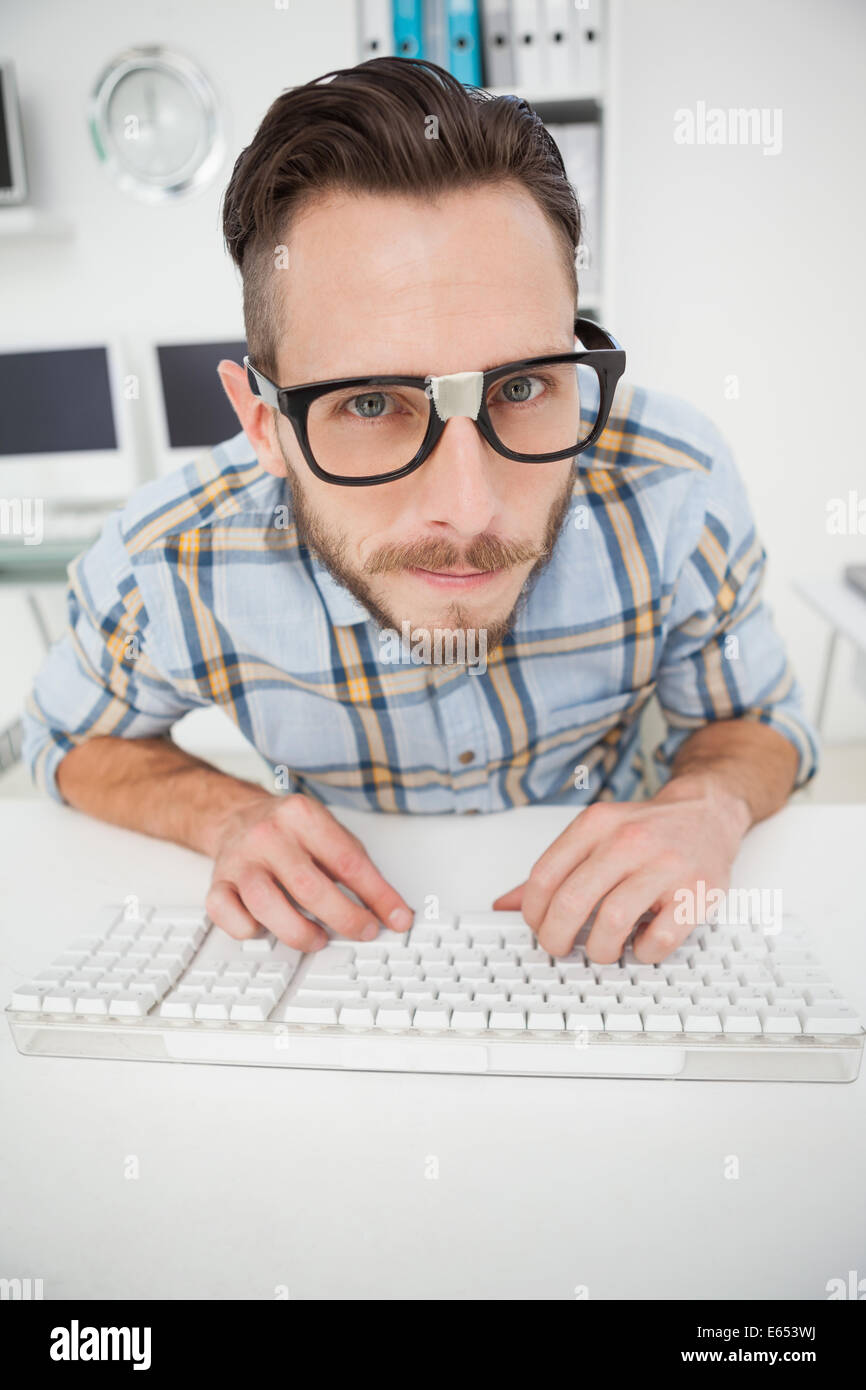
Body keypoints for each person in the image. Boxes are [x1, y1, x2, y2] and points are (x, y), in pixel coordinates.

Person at [21, 58, 818, 965]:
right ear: (263, 425)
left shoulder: (676, 485)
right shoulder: (170, 561)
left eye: (521, 384)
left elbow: (760, 721)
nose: (468, 509)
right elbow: (63, 735)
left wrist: (704, 807)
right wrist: (227, 812)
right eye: (369, 403)